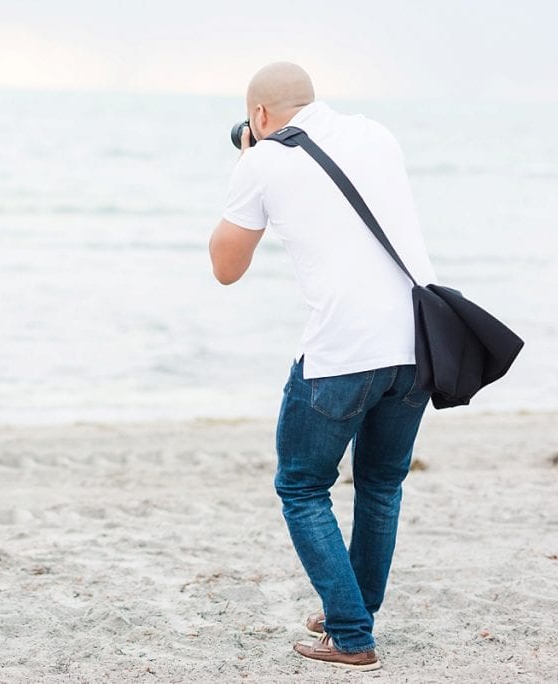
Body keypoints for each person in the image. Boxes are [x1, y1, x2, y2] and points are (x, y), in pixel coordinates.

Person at [208, 63, 437, 671]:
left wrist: (245, 161)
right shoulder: (376, 134)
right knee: (381, 483)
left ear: (258, 116)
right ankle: (355, 605)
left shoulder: (260, 161)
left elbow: (226, 267)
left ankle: (351, 635)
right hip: (418, 343)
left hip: (344, 352)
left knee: (303, 486)